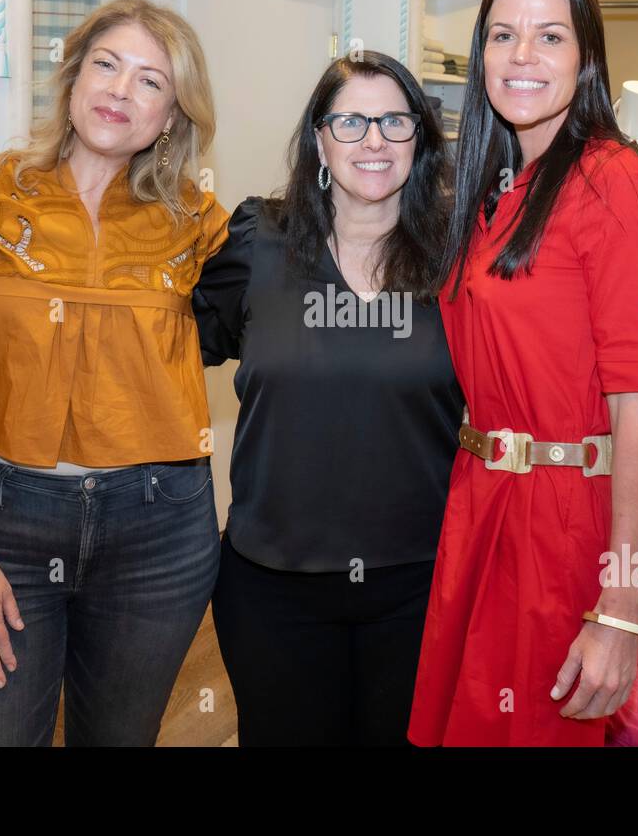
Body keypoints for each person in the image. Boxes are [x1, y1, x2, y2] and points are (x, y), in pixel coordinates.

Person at [0, 0, 229, 745]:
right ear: (72, 79)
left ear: (172, 115)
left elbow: (283, 301)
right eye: (106, 65)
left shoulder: (197, 223)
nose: (119, 90)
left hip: (160, 525)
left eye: (150, 81)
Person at [408, 0, 638, 746]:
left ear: (586, 58)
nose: (522, 56)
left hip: (559, 525)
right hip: (480, 504)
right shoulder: (494, 189)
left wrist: (622, 611)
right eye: (502, 35)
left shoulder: (613, 185)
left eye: (549, 35)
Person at [193, 51, 464, 745]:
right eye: (350, 121)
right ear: (319, 138)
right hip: (273, 588)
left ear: (420, 139)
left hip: (417, 586)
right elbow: (174, 351)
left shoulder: (459, 263)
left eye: (394, 121)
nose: (373, 140)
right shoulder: (257, 241)